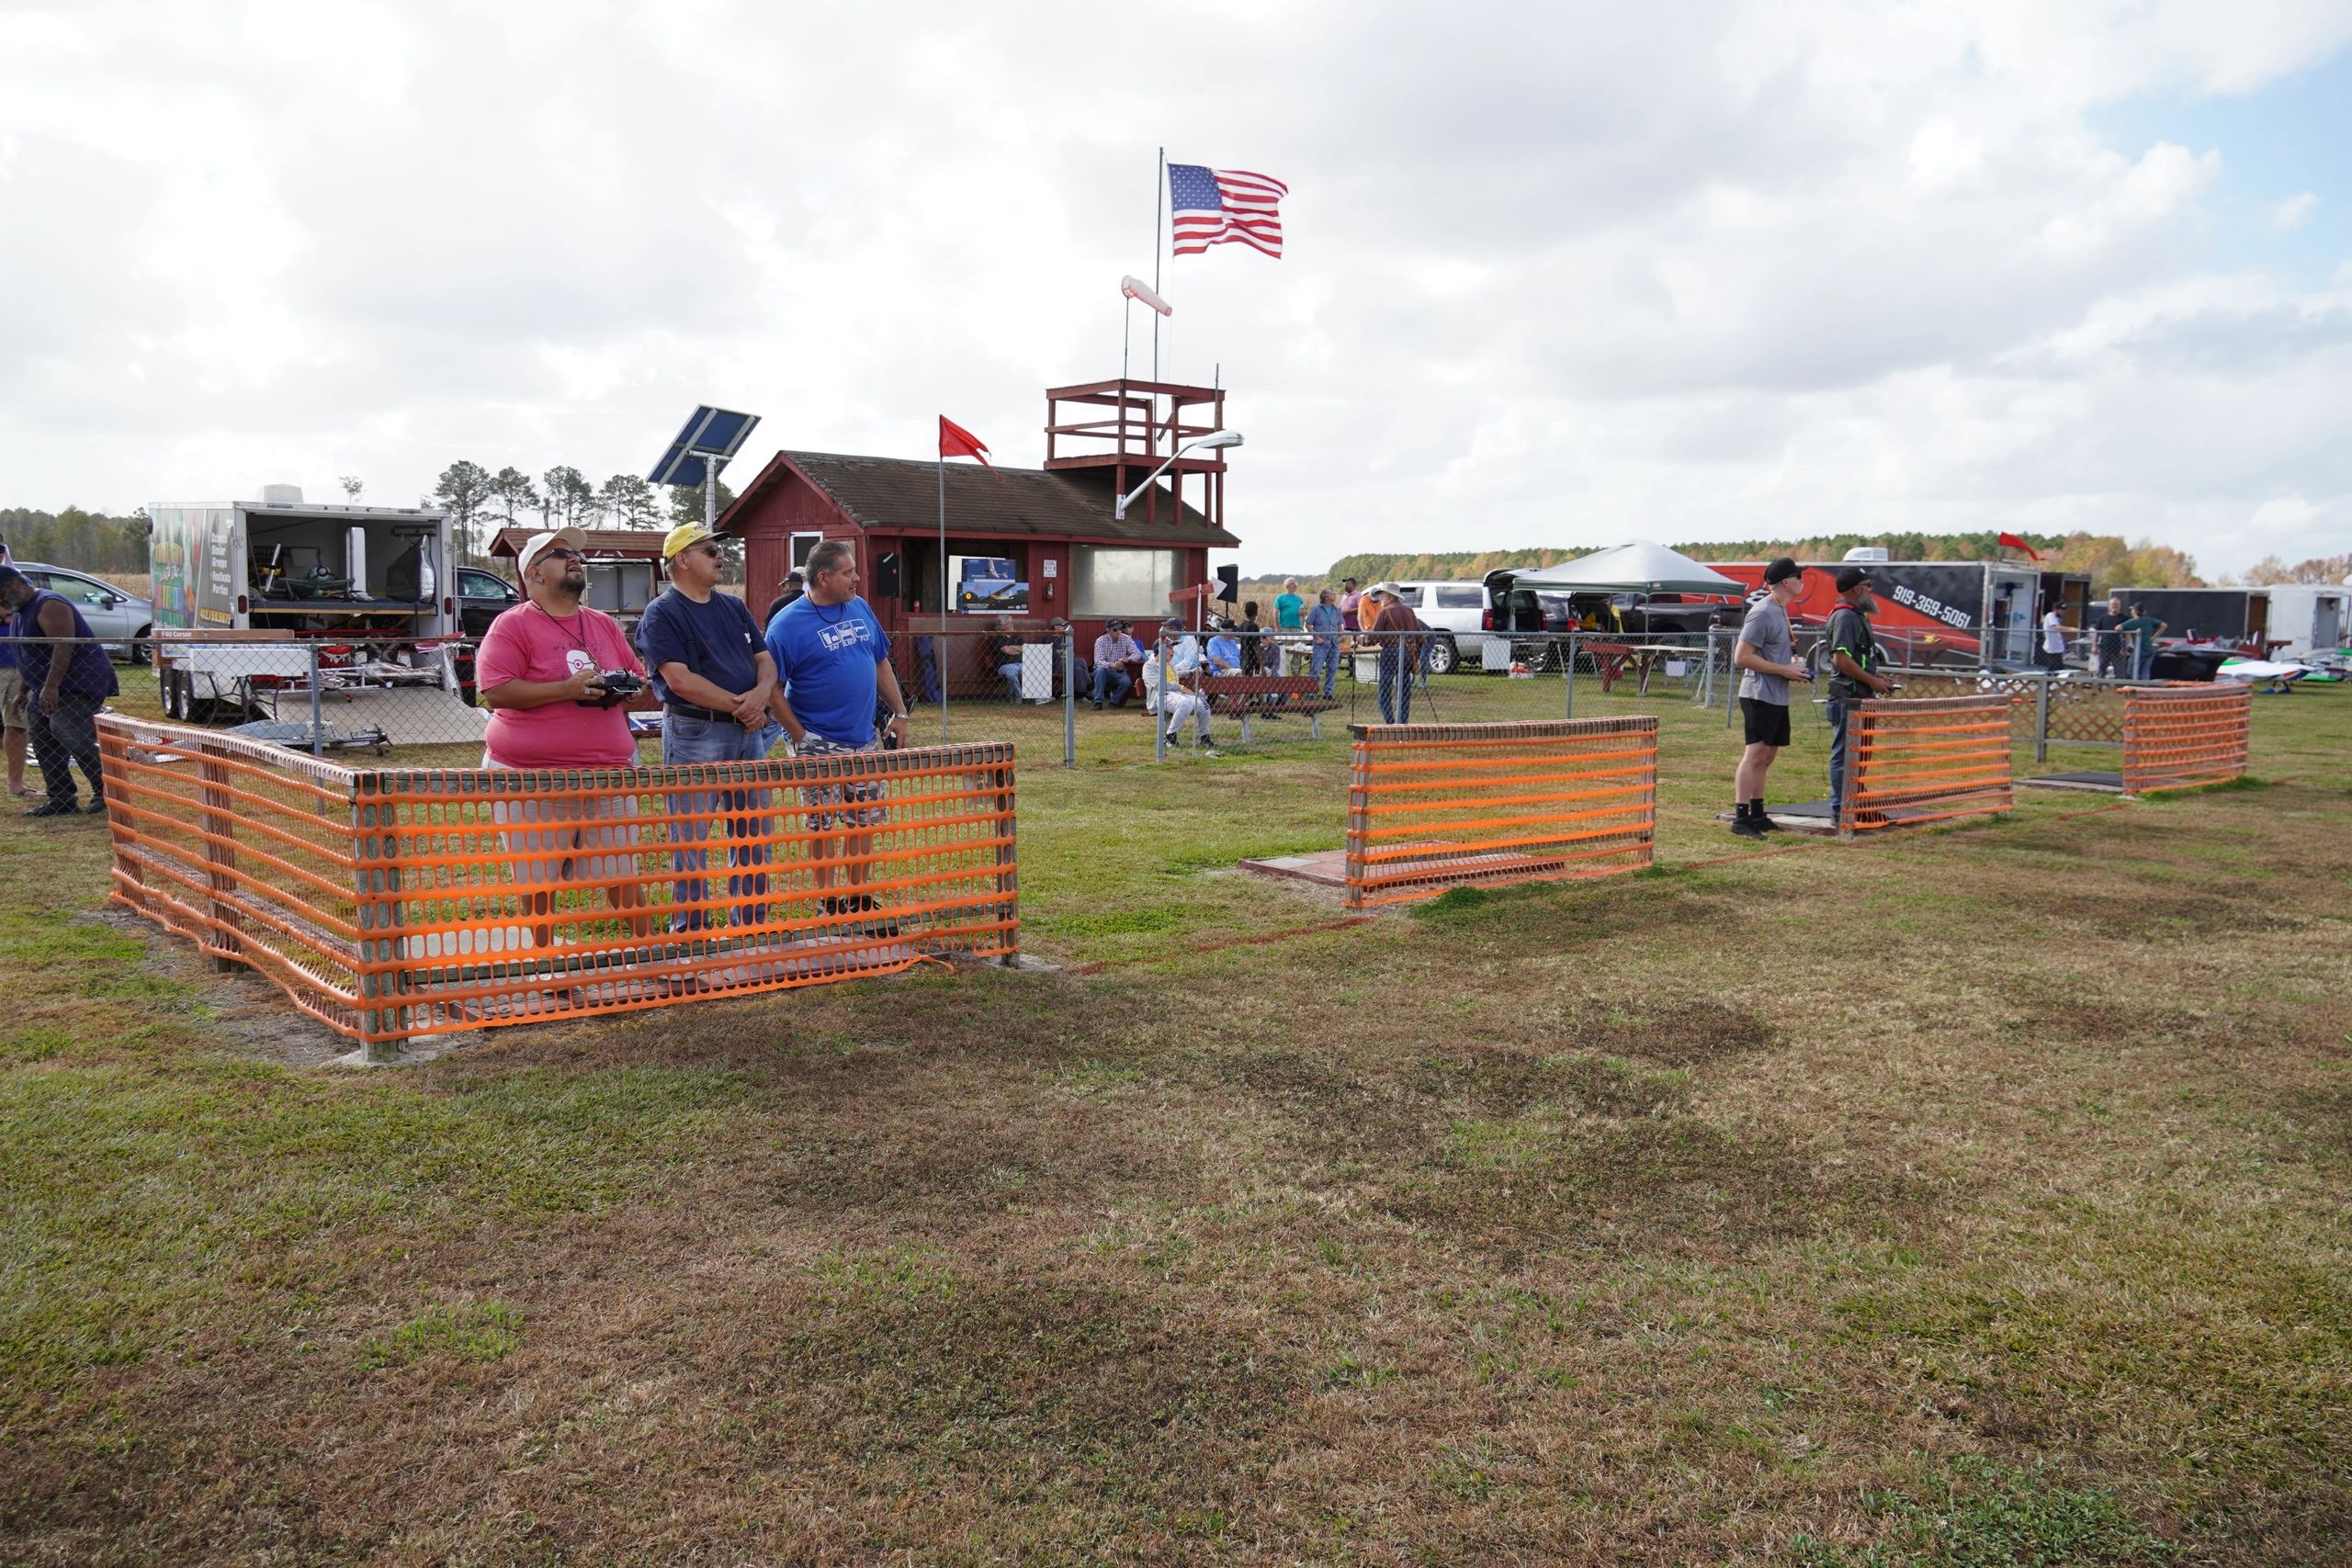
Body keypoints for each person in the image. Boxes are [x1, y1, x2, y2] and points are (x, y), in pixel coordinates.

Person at [474, 529, 652, 944]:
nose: (575, 559)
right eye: (560, 554)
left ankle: (653, 955)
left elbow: (636, 674)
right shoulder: (511, 625)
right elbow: (496, 691)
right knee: (539, 880)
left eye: (577, 555)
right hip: (532, 778)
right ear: (534, 574)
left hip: (608, 774)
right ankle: (543, 962)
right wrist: (566, 690)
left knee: (622, 873)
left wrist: (627, 688)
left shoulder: (602, 624)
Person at [640, 523, 782, 932]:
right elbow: (681, 681)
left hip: (747, 731)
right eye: (709, 550)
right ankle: (692, 934)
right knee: (691, 840)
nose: (720, 556)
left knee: (754, 835)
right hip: (696, 731)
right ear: (682, 560)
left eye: (718, 550)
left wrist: (759, 697)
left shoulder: (734, 607)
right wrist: (746, 706)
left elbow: (765, 660)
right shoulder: (662, 613)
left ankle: (751, 927)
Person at [764, 540, 912, 928]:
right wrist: (800, 737)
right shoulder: (787, 624)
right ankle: (827, 902)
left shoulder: (860, 608)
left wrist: (899, 713)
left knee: (864, 820)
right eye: (848, 572)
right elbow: (771, 687)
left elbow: (880, 661)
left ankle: (859, 898)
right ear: (824, 578)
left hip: (863, 738)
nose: (857, 578)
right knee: (823, 825)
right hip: (817, 741)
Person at [0, 564, 118, 817]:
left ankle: (108, 791)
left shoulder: (49, 604)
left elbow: (63, 646)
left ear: (17, 584)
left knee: (66, 728)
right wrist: (23, 691)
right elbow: (28, 655)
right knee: (42, 736)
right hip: (46, 686)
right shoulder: (20, 611)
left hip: (79, 682)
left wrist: (51, 686)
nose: (1, 602)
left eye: (1, 595)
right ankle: (61, 798)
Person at [1728, 558, 1811, 840]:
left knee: (1767, 756)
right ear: (1786, 581)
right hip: (1758, 694)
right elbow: (1741, 657)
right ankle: (1741, 819)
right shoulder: (1763, 611)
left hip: (1776, 695)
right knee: (1754, 755)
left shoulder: (1780, 609)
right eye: (1799, 577)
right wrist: (1784, 670)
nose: (1803, 582)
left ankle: (1758, 814)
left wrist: (1793, 669)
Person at [1823, 565, 1895, 819]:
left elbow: (1858, 658)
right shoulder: (1845, 617)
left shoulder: (1857, 615)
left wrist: (1876, 676)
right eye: (1868, 586)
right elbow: (1841, 660)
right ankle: (1841, 811)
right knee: (1845, 756)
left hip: (1860, 697)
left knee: (1861, 754)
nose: (1872, 591)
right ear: (1856, 590)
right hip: (1848, 698)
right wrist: (1872, 681)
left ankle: (1857, 804)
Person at [1364, 582, 1430, 724]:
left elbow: (1373, 638)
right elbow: (1420, 637)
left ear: (1388, 596)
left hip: (1390, 652)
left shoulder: (1385, 612)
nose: (1381, 598)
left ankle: (1390, 723)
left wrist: (1362, 640)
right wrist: (1415, 654)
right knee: (1404, 691)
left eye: (1382, 595)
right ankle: (1402, 723)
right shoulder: (1409, 611)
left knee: (1385, 691)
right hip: (1407, 653)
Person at [1150, 616, 1216, 753]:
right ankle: (1170, 737)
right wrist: (1181, 687)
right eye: (1170, 648)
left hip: (1177, 692)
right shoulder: (1151, 665)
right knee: (1185, 703)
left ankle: (1205, 737)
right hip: (1162, 695)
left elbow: (1179, 671)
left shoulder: (1171, 663)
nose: (1173, 651)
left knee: (1203, 704)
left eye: (1170, 628)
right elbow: (1159, 684)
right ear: (1160, 650)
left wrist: (1190, 672)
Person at [1091, 618, 1144, 709]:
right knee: (1099, 670)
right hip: (1105, 670)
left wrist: (1128, 659)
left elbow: (1137, 654)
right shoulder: (1100, 641)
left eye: (1120, 629)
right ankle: (1098, 702)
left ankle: (1114, 702)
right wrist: (1111, 665)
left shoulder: (1126, 639)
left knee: (1127, 682)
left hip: (1120, 671)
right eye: (1115, 629)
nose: (1118, 631)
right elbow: (1098, 660)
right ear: (1108, 630)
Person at [1305, 588, 1343, 699]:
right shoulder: (1316, 609)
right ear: (1326, 597)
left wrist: (1340, 637)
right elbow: (1308, 624)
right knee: (1316, 668)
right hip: (1321, 644)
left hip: (1334, 644)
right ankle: (1311, 692)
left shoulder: (1337, 610)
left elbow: (1340, 626)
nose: (1335, 594)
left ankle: (1328, 692)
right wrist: (1317, 637)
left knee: (1332, 668)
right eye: (1332, 593)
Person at [2116, 604, 2166, 681]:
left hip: (2139, 651)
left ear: (2135, 611)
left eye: (2132, 610)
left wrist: (2125, 631)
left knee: (2131, 669)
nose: (2131, 611)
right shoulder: (2149, 620)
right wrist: (2154, 637)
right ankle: (2144, 685)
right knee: (2145, 671)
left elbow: (2117, 628)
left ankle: (2135, 683)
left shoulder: (2133, 622)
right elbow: (2164, 625)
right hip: (2150, 650)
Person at [986, 616, 1025, 702]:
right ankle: (1019, 697)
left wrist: (1011, 647)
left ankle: (1039, 697)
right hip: (1004, 666)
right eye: (1009, 623)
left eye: (1012, 622)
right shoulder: (996, 638)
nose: (1012, 625)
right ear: (1001, 626)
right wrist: (1018, 649)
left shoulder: (1017, 636)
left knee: (1035, 669)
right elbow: (1006, 650)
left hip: (1021, 664)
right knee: (1011, 673)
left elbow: (1025, 648)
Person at [2091, 594, 2129, 679]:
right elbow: (2096, 633)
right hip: (2104, 648)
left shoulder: (2124, 618)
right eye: (2113, 604)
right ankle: (2100, 685)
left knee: (2119, 672)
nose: (2115, 606)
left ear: (2120, 606)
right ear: (2109, 606)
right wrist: (2094, 646)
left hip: (2118, 650)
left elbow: (2127, 635)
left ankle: (2120, 686)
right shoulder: (2103, 618)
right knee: (2101, 670)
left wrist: (2125, 648)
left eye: (2117, 604)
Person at [2038, 604, 2072, 672]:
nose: (2063, 612)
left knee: (2059, 667)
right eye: (2061, 610)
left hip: (2058, 647)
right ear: (2055, 609)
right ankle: (2049, 678)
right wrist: (2071, 629)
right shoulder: (2050, 616)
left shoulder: (2058, 618)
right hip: (2051, 647)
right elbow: (2056, 627)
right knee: (2053, 667)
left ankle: (2055, 677)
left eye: (2064, 610)